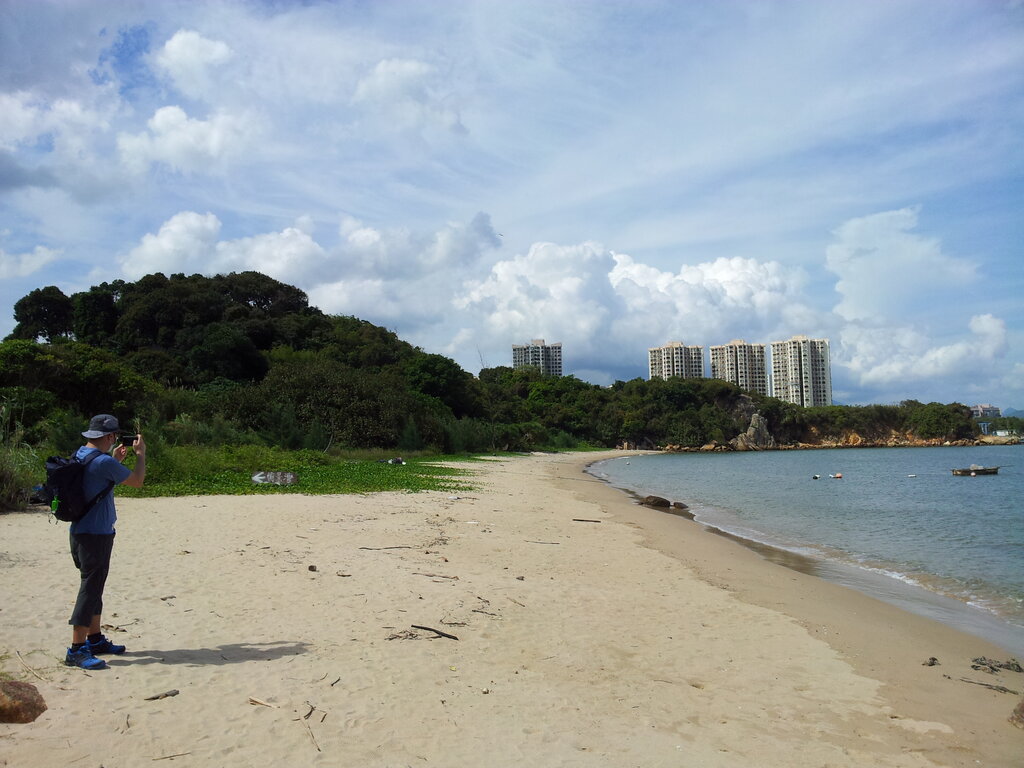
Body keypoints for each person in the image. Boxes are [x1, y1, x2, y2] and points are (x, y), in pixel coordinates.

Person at [64, 414, 146, 670]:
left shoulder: (81, 455)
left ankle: (95, 638)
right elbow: (137, 481)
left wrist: (115, 461)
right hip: (96, 535)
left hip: (79, 532)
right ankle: (76, 650)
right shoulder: (102, 462)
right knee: (90, 589)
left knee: (94, 584)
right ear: (110, 437)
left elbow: (95, 484)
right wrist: (141, 455)